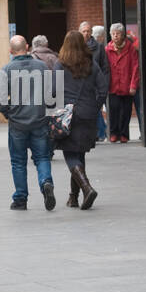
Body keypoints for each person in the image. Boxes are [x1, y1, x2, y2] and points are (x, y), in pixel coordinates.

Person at [0, 35, 55, 210]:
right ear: (27, 47)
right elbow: (52, 94)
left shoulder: (7, 69)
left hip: (17, 123)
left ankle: (21, 198)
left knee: (18, 161)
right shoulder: (42, 67)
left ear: (10, 51)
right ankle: (46, 181)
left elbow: (0, 100)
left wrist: (8, 114)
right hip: (39, 120)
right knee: (42, 157)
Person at [56, 30, 104, 209]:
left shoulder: (60, 65)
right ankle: (74, 197)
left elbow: (51, 90)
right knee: (80, 153)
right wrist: (95, 106)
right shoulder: (91, 63)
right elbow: (103, 87)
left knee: (70, 154)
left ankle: (87, 187)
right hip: (88, 114)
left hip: (68, 115)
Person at [104, 23, 139, 142]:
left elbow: (135, 67)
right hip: (113, 85)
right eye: (113, 34)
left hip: (127, 85)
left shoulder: (130, 49)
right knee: (113, 109)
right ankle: (114, 133)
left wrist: (133, 85)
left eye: (117, 34)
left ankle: (124, 134)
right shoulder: (107, 50)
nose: (115, 36)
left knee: (126, 111)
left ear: (123, 35)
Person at [85, 23, 110, 141]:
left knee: (96, 107)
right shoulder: (77, 46)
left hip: (96, 83)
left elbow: (105, 67)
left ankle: (100, 133)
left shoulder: (99, 47)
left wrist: (104, 83)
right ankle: (99, 132)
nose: (86, 33)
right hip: (82, 84)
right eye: (84, 31)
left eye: (88, 31)